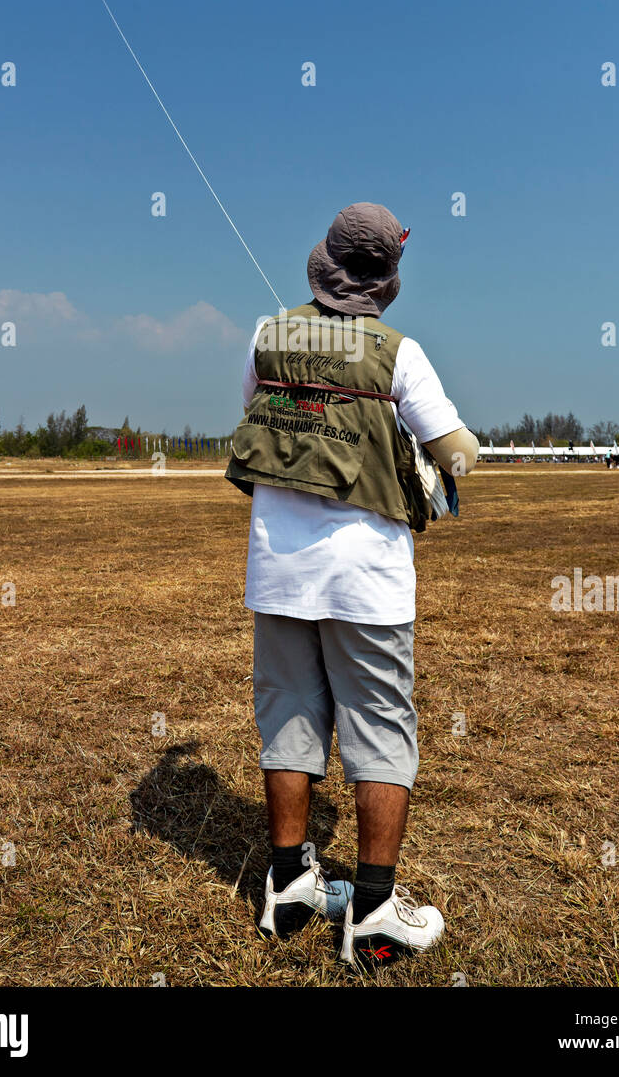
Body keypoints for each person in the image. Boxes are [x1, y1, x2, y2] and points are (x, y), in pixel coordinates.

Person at [225, 203, 478, 967]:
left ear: (323, 262)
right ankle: (372, 915)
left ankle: (287, 885)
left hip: (277, 571)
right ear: (387, 277)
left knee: (288, 719)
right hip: (367, 580)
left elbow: (252, 411)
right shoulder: (400, 353)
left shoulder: (268, 335)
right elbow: (458, 453)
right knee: (380, 731)